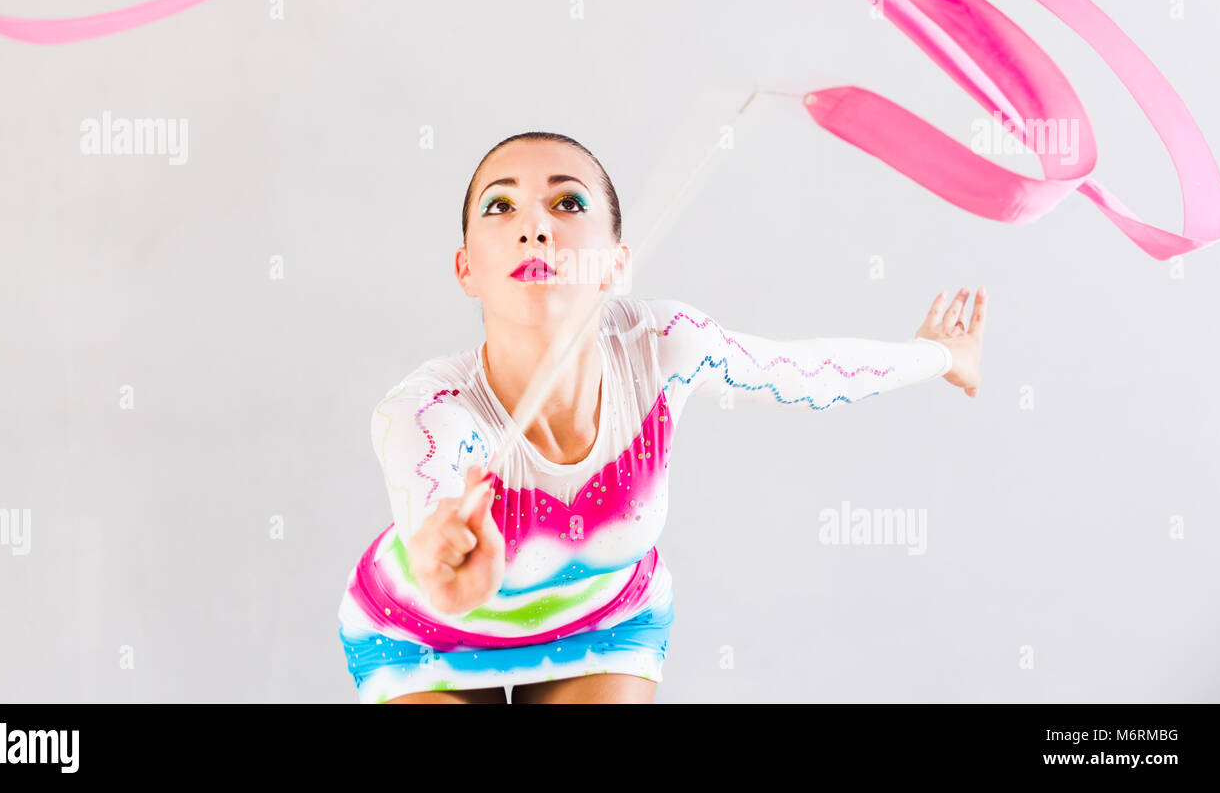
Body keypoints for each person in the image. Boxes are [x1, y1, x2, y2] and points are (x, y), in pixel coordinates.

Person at [337, 131, 988, 703]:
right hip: (420, 641)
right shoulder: (425, 412)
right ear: (466, 269)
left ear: (619, 263)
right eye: (500, 206)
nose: (534, 226)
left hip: (605, 623)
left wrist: (940, 355)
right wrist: (440, 563)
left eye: (568, 203)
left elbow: (809, 373)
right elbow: (428, 501)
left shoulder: (663, 345)